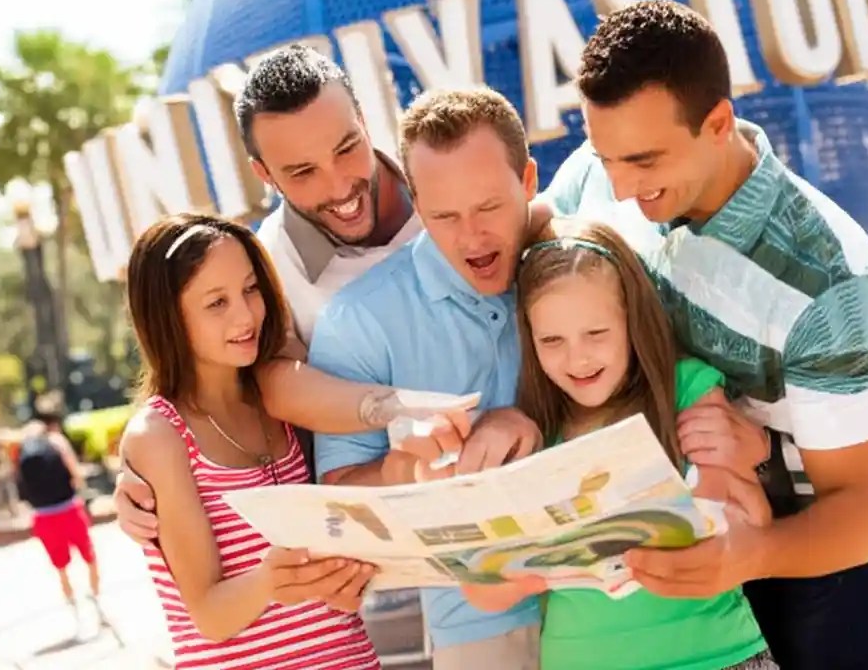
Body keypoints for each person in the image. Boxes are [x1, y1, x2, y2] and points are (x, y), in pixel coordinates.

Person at [541, 0, 868, 669]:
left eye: (643, 162)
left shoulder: (832, 281)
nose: (618, 189)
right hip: (665, 573)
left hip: (814, 563)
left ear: (717, 124)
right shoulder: (605, 173)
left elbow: (866, 510)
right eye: (605, 156)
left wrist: (755, 536)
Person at [113, 46, 535, 543]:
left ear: (363, 119)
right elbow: (261, 378)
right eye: (302, 172)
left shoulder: (450, 183)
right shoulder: (265, 266)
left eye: (345, 148)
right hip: (394, 538)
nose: (340, 186)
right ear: (264, 175)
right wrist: (136, 461)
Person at [309, 87, 558, 668]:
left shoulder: (574, 260)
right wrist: (403, 470)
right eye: (444, 215)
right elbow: (337, 501)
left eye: (489, 207)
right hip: (482, 629)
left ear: (527, 181)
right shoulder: (358, 321)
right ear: (417, 205)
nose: (471, 236)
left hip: (616, 602)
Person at [459, 220, 776, 670]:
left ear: (632, 320)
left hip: (715, 654)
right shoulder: (535, 435)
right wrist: (529, 570)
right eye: (552, 341)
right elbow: (480, 590)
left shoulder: (685, 389)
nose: (578, 358)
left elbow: (750, 517)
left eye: (596, 334)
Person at [118, 213, 382, 669]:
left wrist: (341, 582)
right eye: (216, 303)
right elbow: (209, 616)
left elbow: (335, 591)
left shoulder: (284, 396)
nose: (245, 315)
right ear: (168, 317)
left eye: (250, 289)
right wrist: (268, 581)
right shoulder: (159, 437)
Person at [15, 412, 99, 621]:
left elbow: (20, 486)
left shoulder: (22, 450)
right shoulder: (56, 441)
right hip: (68, 507)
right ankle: (95, 593)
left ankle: (71, 598)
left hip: (43, 515)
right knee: (88, 553)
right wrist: (80, 488)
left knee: (60, 563)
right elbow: (75, 471)